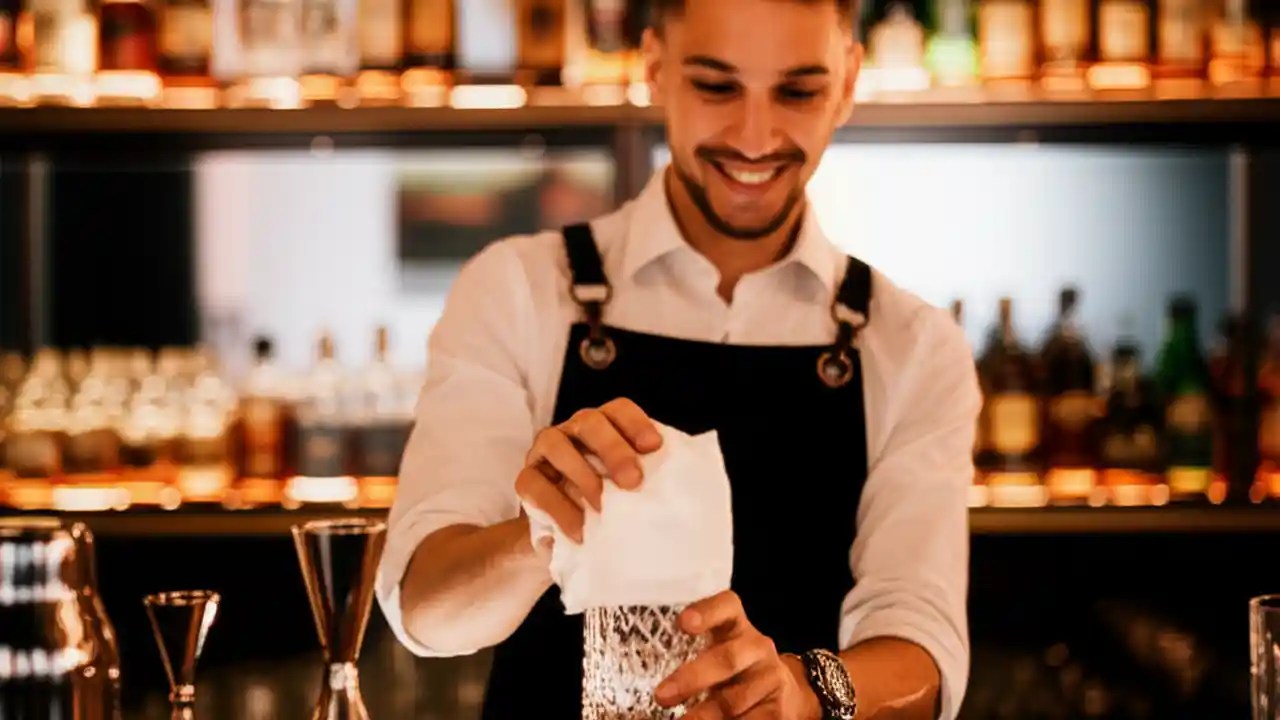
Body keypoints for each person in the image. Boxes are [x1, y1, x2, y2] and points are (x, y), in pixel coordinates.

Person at [375, 0, 981, 718]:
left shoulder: (913, 346)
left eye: (798, 90)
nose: (755, 137)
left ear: (848, 80)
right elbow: (425, 610)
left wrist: (804, 692)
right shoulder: (520, 289)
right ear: (656, 67)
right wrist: (547, 531)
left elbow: (922, 646)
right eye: (716, 86)